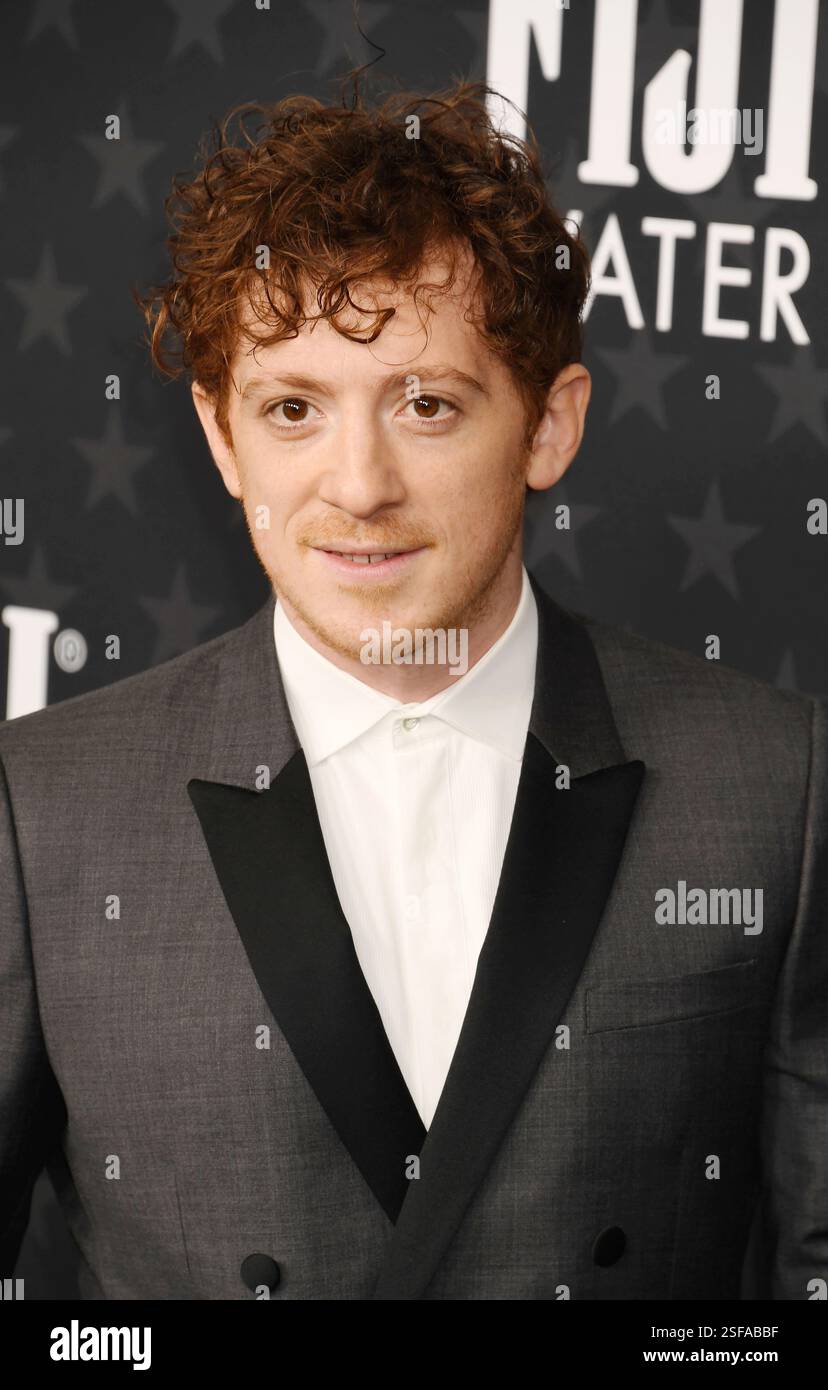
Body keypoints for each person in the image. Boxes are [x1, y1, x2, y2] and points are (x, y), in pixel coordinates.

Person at [1, 80, 825, 1301]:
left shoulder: (774, 783)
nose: (358, 485)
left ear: (549, 425)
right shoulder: (41, 807)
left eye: (426, 404)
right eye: (293, 409)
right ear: (223, 439)